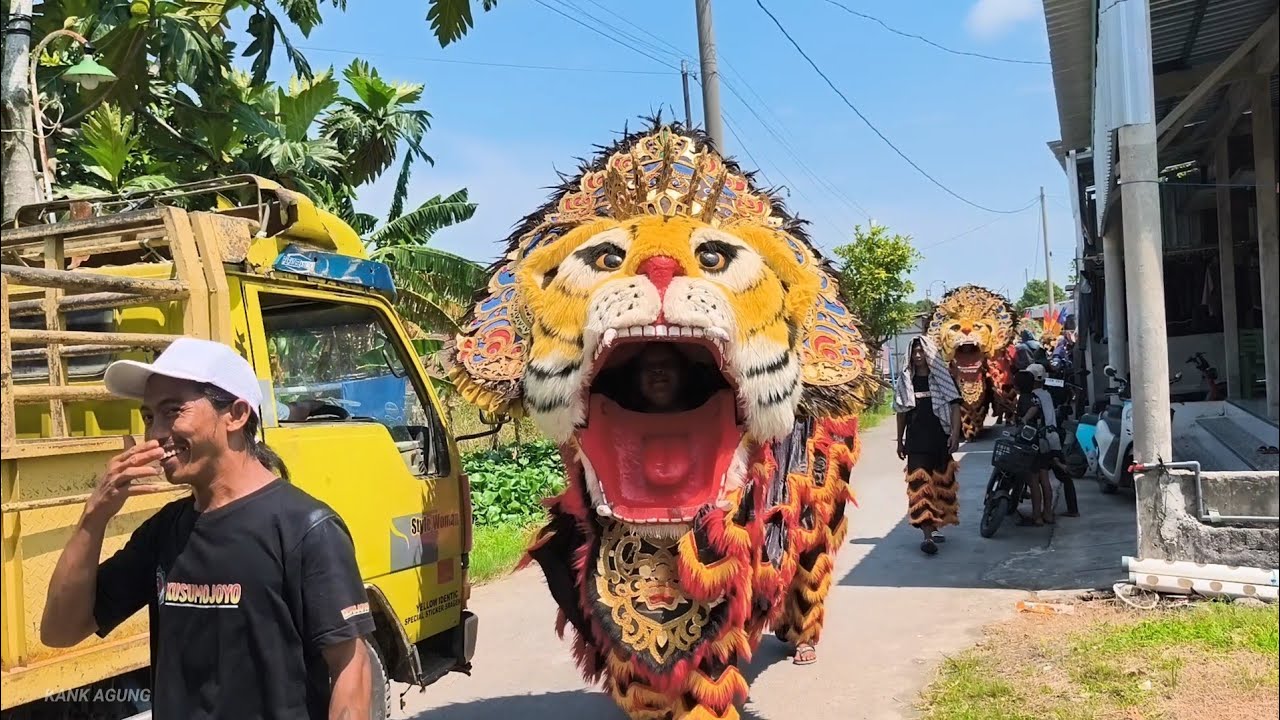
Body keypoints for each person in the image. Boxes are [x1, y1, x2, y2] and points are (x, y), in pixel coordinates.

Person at [40, 338, 375, 719]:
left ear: (236, 414)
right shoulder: (165, 531)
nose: (155, 434)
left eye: (172, 412)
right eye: (149, 416)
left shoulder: (306, 528)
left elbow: (351, 668)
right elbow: (60, 631)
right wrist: (94, 516)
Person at [893, 336, 963, 555]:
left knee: (939, 484)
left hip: (939, 439)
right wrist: (900, 440)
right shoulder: (907, 381)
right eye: (914, 352)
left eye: (921, 352)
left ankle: (935, 524)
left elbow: (954, 407)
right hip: (916, 442)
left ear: (929, 354)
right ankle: (927, 535)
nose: (917, 356)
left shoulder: (942, 379)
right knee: (920, 487)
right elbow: (902, 413)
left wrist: (955, 434)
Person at [1027, 363, 1080, 518]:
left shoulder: (1033, 396)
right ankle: (1069, 509)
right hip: (1053, 436)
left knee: (1041, 476)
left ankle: (1044, 513)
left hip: (1043, 439)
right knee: (1062, 475)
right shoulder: (1046, 393)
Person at [1013, 369, 1054, 526]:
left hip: (1030, 444)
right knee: (1045, 480)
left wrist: (1024, 419)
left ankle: (1037, 516)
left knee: (1033, 481)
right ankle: (1048, 514)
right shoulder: (1036, 396)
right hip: (1042, 441)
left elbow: (1033, 409)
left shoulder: (1025, 398)